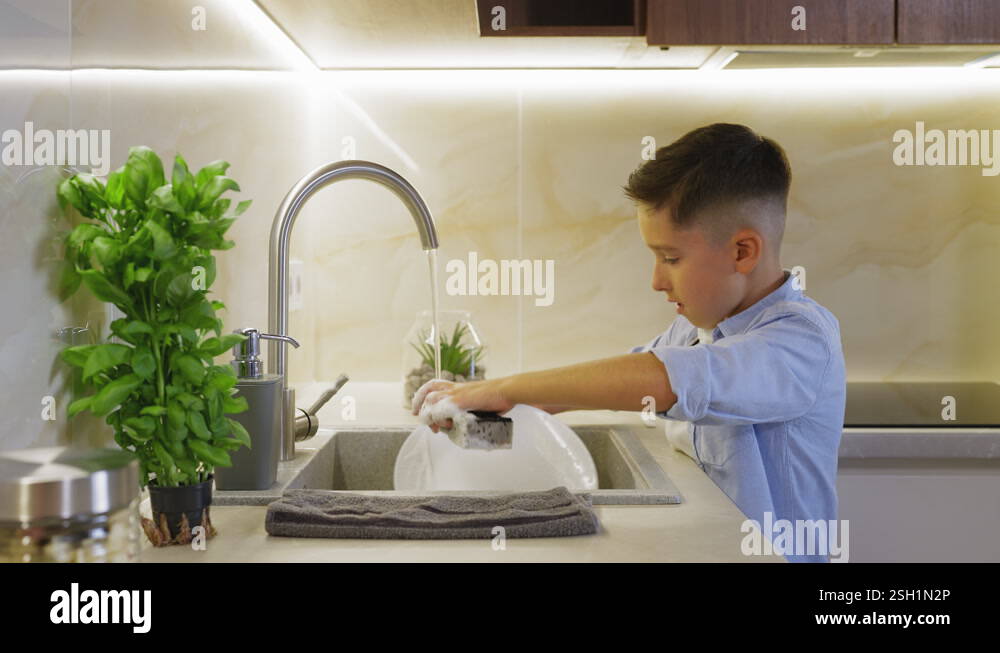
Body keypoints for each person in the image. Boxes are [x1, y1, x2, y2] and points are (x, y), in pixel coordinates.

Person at [411, 123, 846, 563]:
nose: (657, 280)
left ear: (742, 252)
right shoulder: (696, 330)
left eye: (671, 258)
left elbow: (667, 380)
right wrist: (483, 417)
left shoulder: (802, 340)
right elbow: (620, 379)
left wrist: (504, 389)